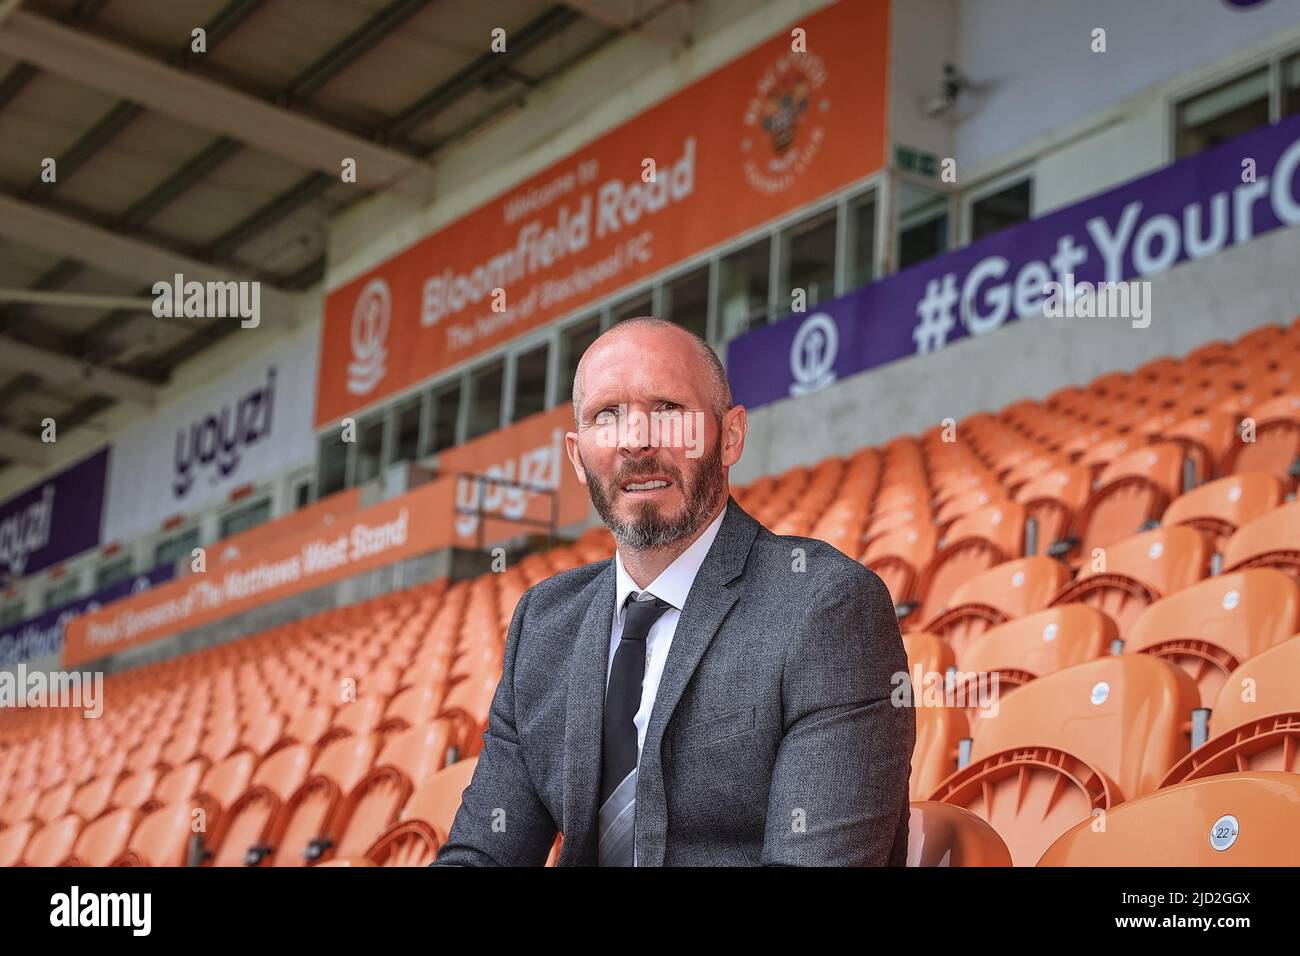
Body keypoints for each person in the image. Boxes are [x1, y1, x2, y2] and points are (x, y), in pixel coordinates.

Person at [432, 317, 913, 866]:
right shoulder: (543, 624)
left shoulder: (827, 608)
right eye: (606, 416)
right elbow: (482, 856)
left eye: (667, 409)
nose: (636, 440)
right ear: (577, 455)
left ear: (729, 437)